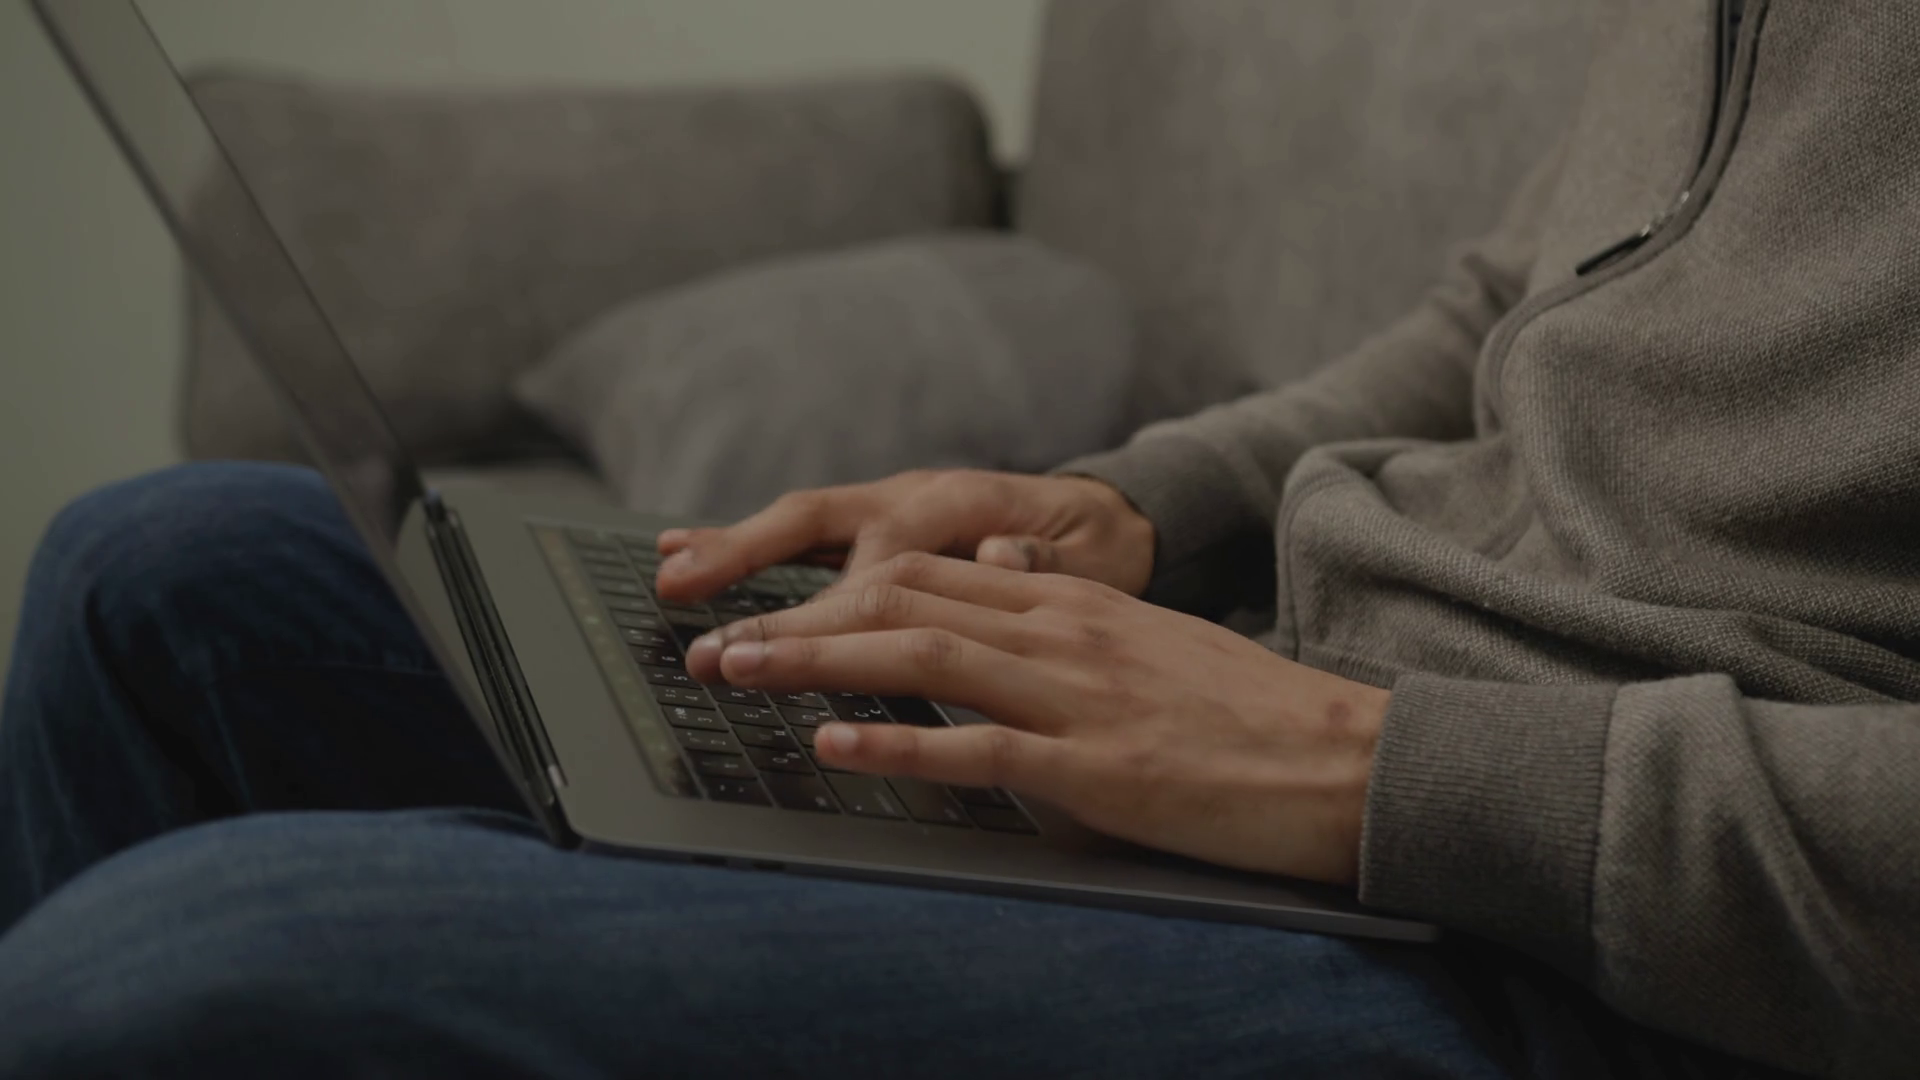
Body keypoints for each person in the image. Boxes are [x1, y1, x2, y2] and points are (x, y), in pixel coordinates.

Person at [2, 1, 1914, 1076]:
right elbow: (1505, 306)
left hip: (1595, 945)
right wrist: (1142, 504)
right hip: (1309, 706)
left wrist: (1370, 768)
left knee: (168, 981)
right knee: (158, 579)